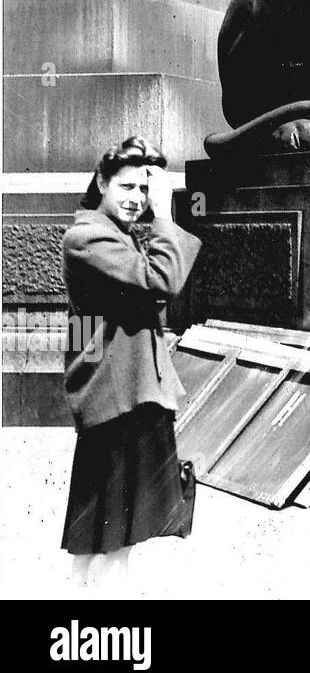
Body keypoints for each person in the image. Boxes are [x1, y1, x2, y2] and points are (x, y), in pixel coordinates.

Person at [61, 137, 202, 588]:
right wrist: (161, 215)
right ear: (100, 182)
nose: (136, 198)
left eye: (144, 190)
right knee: (114, 538)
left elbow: (90, 324)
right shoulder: (88, 237)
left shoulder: (113, 236)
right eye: (127, 186)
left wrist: (87, 360)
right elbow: (162, 279)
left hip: (129, 395)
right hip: (120, 401)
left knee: (103, 536)